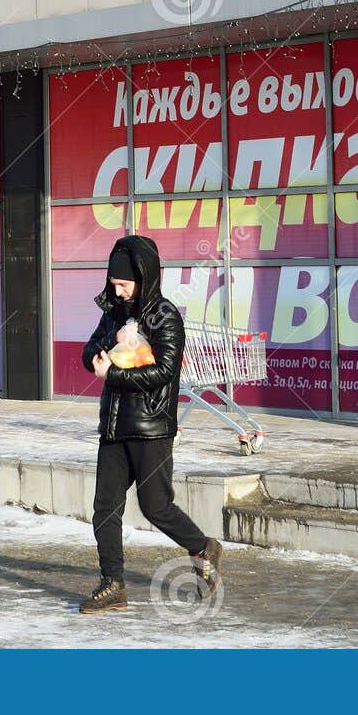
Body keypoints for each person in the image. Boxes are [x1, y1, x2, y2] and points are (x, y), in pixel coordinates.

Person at [78, 234, 221, 614]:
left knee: (155, 505)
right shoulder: (113, 312)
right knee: (105, 507)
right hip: (113, 425)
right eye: (114, 284)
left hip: (151, 426)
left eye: (124, 283)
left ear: (144, 278)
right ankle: (113, 584)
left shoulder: (165, 316)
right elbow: (90, 349)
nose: (119, 290)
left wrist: (115, 373)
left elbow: (163, 371)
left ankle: (203, 547)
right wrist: (101, 353)